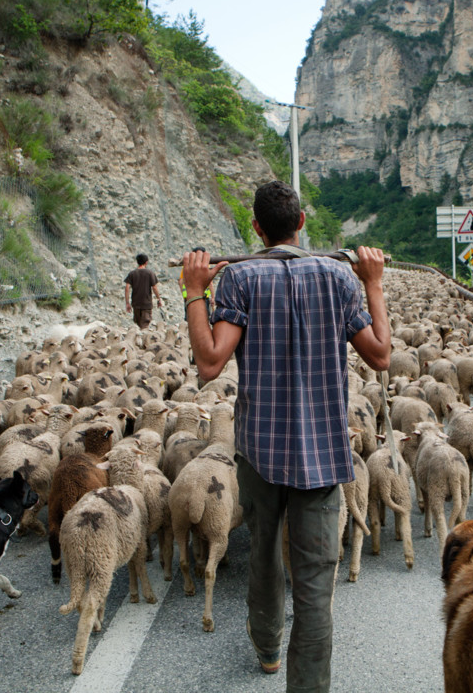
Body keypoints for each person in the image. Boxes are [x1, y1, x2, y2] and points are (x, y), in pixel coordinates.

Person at [181, 181, 391, 693]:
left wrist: (193, 291)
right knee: (316, 588)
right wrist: (375, 283)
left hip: (259, 453)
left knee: (264, 554)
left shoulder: (239, 279)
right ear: (301, 223)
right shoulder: (339, 279)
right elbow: (381, 356)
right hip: (322, 455)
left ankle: (268, 647)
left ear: (256, 228)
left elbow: (209, 363)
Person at [124, 252, 163, 329]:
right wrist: (159, 298)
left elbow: (127, 288)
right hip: (146, 303)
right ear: (146, 262)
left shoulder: (132, 274)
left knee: (138, 324)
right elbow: (154, 287)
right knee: (144, 325)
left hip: (136, 304)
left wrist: (127, 303)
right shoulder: (150, 273)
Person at [178, 245, 213, 317]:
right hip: (203, 296)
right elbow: (210, 283)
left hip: (189, 296)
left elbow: (181, 281)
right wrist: (213, 297)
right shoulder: (205, 266)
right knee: (204, 317)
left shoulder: (187, 266)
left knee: (190, 317)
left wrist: (184, 294)